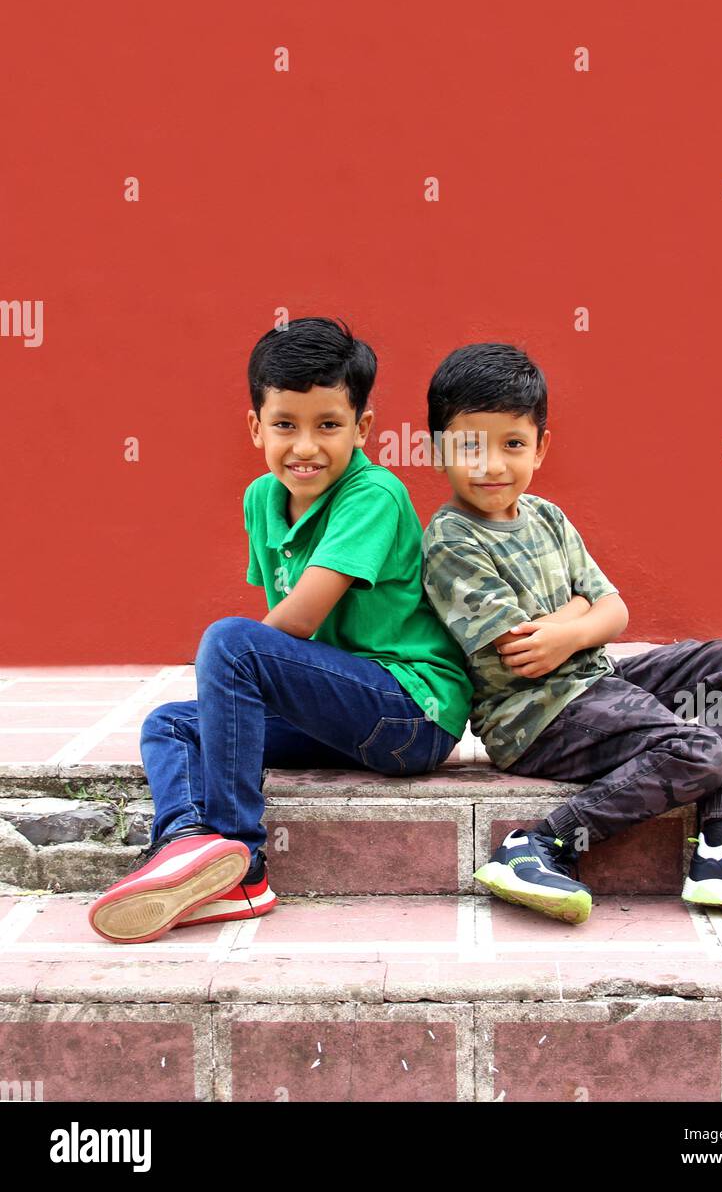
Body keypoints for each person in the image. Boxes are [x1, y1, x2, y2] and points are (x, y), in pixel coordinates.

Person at [420, 340, 722, 925]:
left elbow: (615, 610)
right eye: (471, 445)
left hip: (595, 681)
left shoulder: (547, 517)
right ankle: (541, 845)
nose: (492, 465)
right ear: (437, 450)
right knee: (696, 749)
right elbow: (523, 652)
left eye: (512, 444)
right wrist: (579, 613)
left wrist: (575, 621)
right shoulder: (450, 539)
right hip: (535, 718)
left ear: (541, 447)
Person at [88, 317, 472, 944]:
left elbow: (294, 622)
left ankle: (242, 858)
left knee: (230, 643)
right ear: (255, 427)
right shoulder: (260, 499)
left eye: (328, 426)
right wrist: (233, 685)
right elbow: (285, 650)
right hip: (341, 711)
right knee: (171, 723)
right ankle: (188, 845)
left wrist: (233, 671)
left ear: (362, 429)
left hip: (411, 714)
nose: (305, 447)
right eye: (285, 425)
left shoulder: (373, 493)